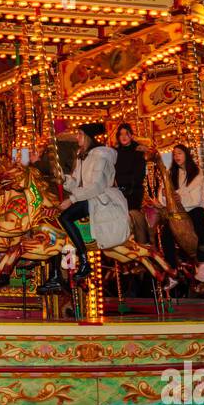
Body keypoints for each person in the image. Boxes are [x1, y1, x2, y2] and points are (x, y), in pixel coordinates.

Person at [55, 122, 128, 289]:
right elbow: (76, 182)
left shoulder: (101, 156)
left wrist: (71, 199)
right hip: (88, 197)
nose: (76, 137)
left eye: (79, 134)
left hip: (100, 198)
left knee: (65, 217)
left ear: (87, 137)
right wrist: (64, 179)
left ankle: (84, 260)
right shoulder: (83, 156)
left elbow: (96, 186)